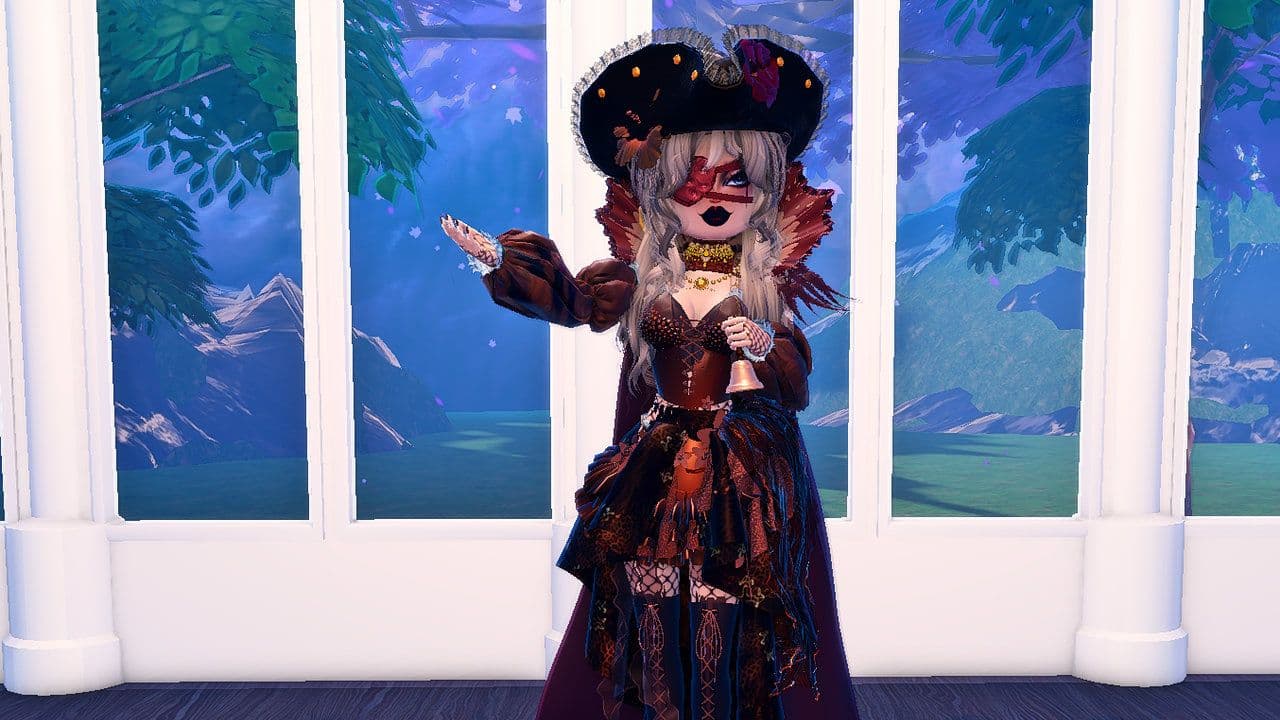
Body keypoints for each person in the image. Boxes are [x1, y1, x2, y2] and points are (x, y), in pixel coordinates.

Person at [440, 25, 861, 720]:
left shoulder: (764, 288)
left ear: (766, 190)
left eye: (738, 180)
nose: (716, 198)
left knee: (733, 598)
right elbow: (574, 303)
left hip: (744, 467)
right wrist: (497, 259)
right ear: (662, 190)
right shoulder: (640, 280)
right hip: (661, 460)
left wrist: (761, 346)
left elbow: (796, 381)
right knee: (651, 593)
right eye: (694, 181)